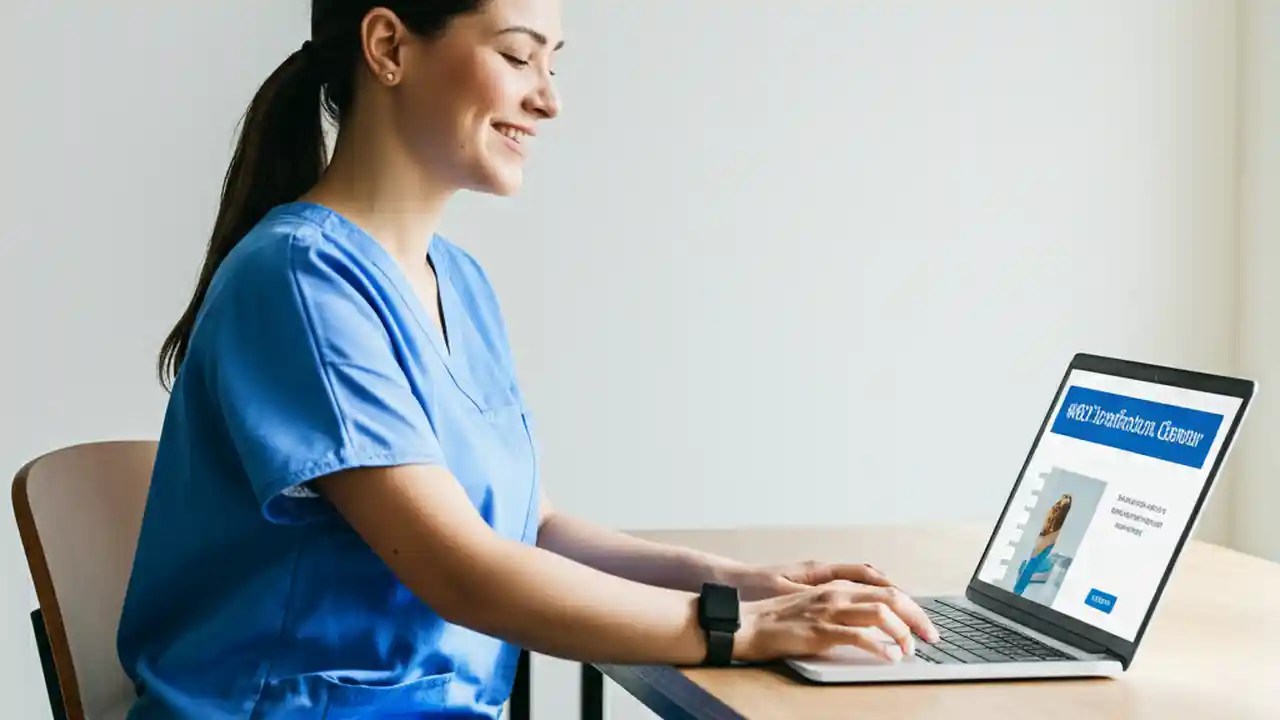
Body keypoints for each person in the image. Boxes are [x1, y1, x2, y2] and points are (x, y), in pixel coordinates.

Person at [116, 1, 939, 717]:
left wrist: (738, 584)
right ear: (389, 47)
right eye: (517, 56)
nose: (548, 98)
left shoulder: (458, 282)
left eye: (553, 64)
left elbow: (531, 529)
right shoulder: (300, 278)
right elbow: (461, 571)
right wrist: (743, 630)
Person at [1013, 494, 1073, 595]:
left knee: (1033, 563)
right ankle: (1019, 589)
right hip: (1046, 538)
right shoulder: (1055, 513)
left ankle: (1018, 589)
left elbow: (1050, 529)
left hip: (1046, 540)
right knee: (1033, 563)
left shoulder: (1057, 516)